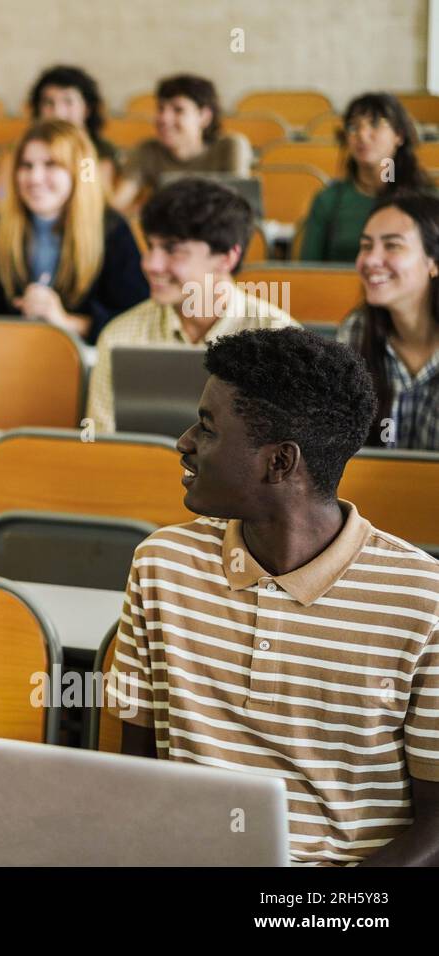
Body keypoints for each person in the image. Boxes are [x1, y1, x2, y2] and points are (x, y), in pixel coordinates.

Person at [109, 327, 439, 865]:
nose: (185, 442)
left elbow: (436, 827)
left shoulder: (422, 599)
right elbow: (136, 772)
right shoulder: (161, 564)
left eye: (209, 429)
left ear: (279, 462)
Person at [87, 177, 296, 432]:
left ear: (227, 258)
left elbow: (285, 456)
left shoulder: (279, 340)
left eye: (172, 249)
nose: (150, 264)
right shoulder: (119, 336)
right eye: (151, 246)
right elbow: (104, 447)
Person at [0, 120, 147, 344]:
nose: (35, 178)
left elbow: (136, 323)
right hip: (2, 360)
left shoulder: (113, 231)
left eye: (51, 165)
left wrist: (66, 321)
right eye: (26, 166)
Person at [339, 191, 439, 449]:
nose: (370, 260)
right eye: (366, 246)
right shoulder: (356, 331)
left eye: (392, 245)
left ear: (434, 262)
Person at [302, 93, 433, 263]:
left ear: (399, 135)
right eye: (353, 127)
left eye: (375, 124)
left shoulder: (424, 199)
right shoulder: (328, 199)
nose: (362, 135)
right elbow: (308, 271)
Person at [112, 74, 253, 214]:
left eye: (178, 110)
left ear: (204, 116)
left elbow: (238, 209)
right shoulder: (147, 151)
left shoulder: (230, 146)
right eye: (161, 108)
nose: (164, 119)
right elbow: (117, 205)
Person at [28, 65, 119, 188]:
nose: (58, 112)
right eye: (49, 103)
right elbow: (0, 193)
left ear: (87, 109)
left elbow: (91, 192)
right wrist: (0, 194)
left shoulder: (94, 151)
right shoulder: (26, 148)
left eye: (68, 102)